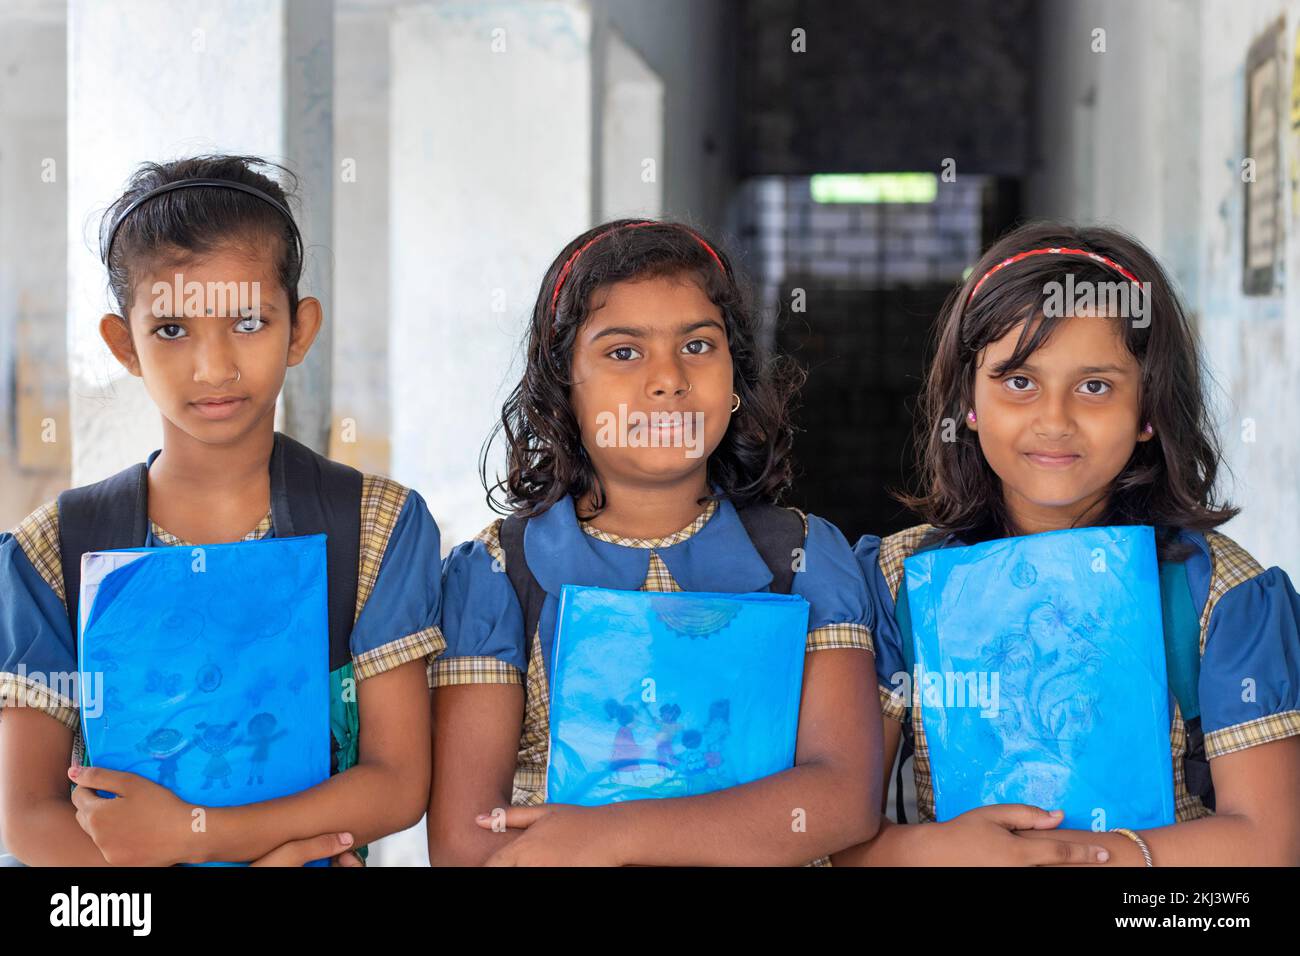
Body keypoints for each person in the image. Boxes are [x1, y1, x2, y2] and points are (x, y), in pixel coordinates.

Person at [0, 155, 442, 866]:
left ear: (299, 331)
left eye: (246, 322)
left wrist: (196, 832)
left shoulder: (375, 526)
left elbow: (395, 783)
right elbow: (28, 816)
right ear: (125, 345)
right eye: (172, 330)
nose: (213, 367)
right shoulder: (56, 547)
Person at [836, 222, 1300, 866]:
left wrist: (1078, 856)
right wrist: (944, 853)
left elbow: (1267, 843)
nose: (1054, 420)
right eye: (1018, 381)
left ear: (1148, 412)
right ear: (969, 399)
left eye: (1095, 386)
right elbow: (836, 834)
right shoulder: (897, 582)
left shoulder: (1219, 591)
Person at [427, 219, 882, 866]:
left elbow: (842, 798)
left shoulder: (804, 557)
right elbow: (466, 841)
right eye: (622, 352)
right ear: (563, 383)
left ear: (736, 374)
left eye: (698, 346)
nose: (667, 379)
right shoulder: (501, 574)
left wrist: (608, 835)